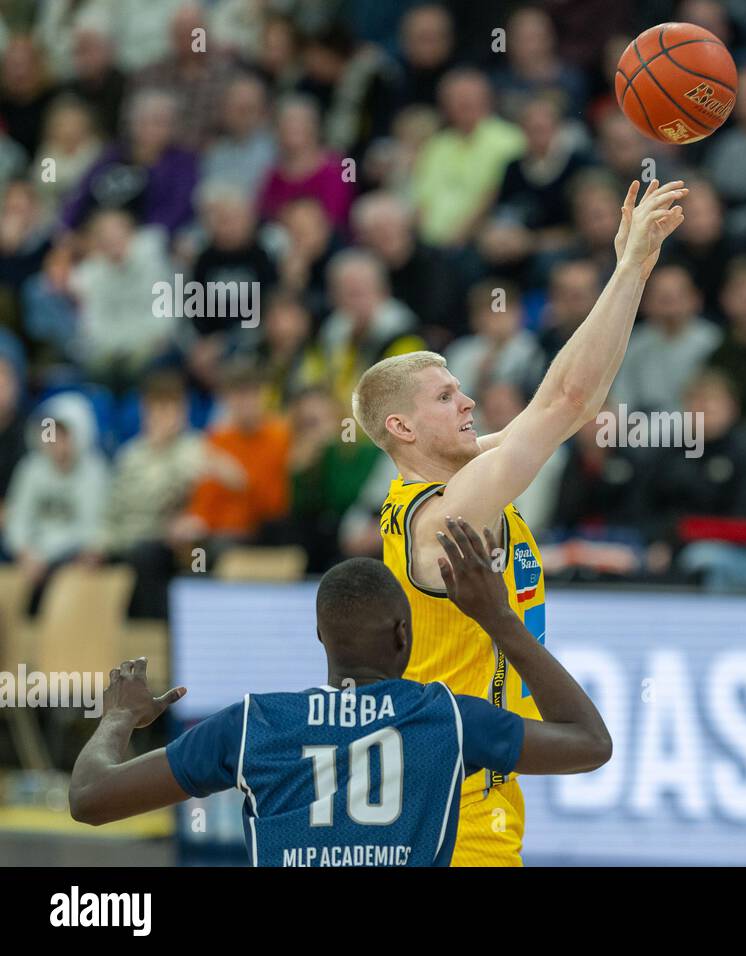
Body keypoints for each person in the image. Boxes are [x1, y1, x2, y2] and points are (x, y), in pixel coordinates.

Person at [350, 177, 685, 866]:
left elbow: (576, 405)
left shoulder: (460, 483)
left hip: (473, 791)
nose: (469, 401)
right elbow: (561, 401)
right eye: (447, 395)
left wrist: (633, 274)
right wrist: (630, 267)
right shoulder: (446, 513)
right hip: (448, 807)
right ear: (401, 425)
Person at [67, 519, 611, 867]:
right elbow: (590, 743)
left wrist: (118, 718)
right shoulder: (446, 720)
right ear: (405, 634)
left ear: (321, 637)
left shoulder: (255, 724)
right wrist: (498, 619)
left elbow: (90, 800)